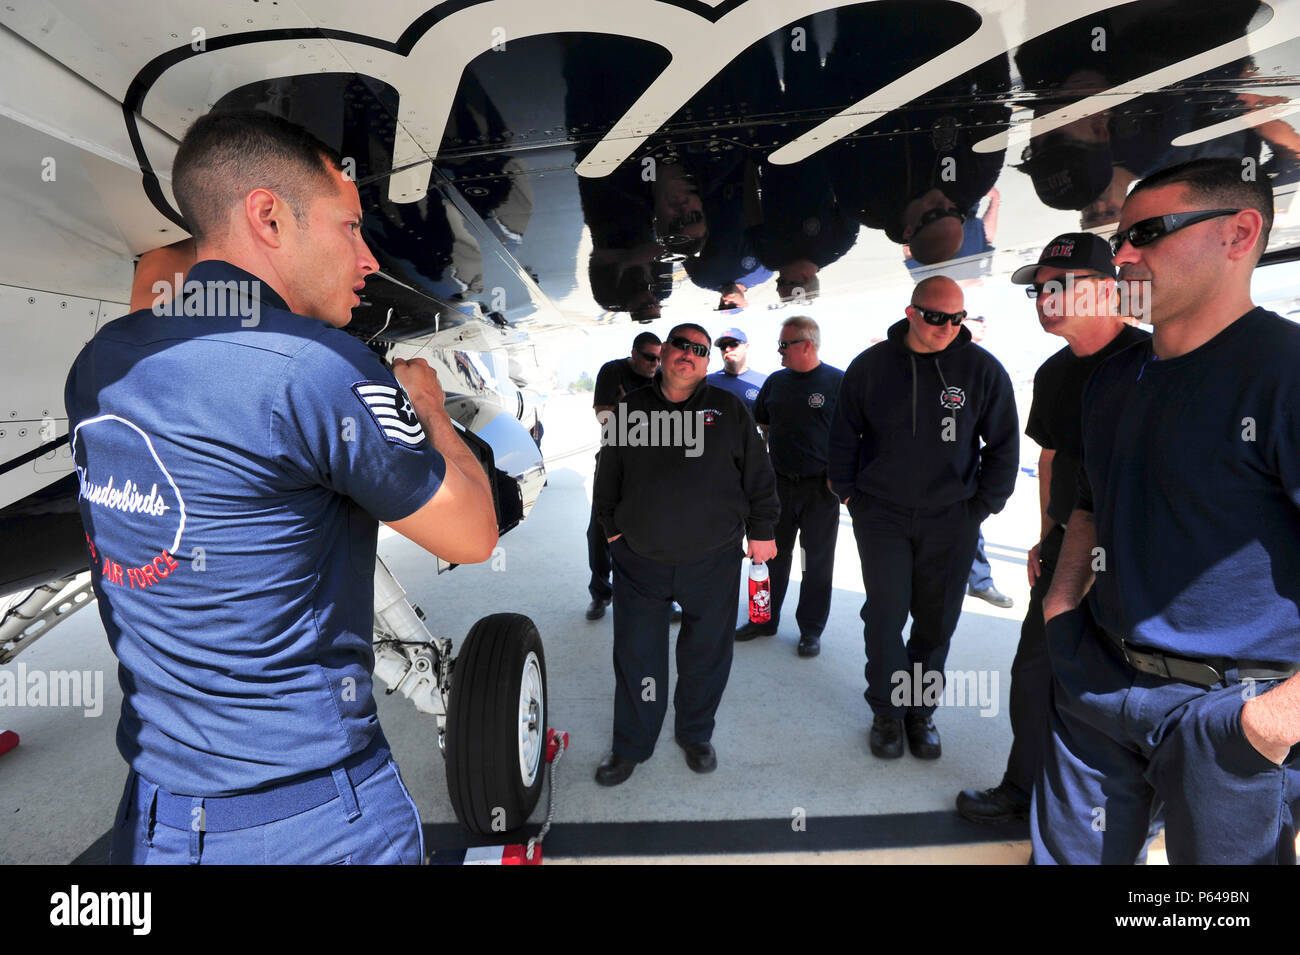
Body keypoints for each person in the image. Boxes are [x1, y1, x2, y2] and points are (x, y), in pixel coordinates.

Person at [64, 109, 498, 865]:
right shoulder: (319, 369)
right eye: (350, 227)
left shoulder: (103, 365)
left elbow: (164, 278)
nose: (368, 259)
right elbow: (473, 533)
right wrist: (428, 408)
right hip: (316, 823)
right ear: (267, 214)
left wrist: (212, 225)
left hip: (164, 826)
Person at [1035, 158, 1300, 864]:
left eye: (1147, 231)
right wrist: (1061, 614)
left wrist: (1271, 721)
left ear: (1240, 233)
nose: (1121, 254)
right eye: (1120, 235)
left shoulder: (1286, 374)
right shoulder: (1113, 379)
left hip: (1230, 718)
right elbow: (1088, 506)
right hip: (1097, 688)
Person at [956, 233, 1148, 824]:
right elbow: (1051, 458)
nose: (1046, 298)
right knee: (1036, 670)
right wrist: (1046, 534)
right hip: (1069, 546)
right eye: (1040, 289)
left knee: (1127, 678)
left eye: (1061, 286)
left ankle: (1126, 804)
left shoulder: (1155, 362)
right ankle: (1024, 788)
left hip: (1139, 551)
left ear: (1107, 288)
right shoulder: (1054, 371)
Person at [829, 276, 1018, 760]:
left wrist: (981, 507)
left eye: (957, 319)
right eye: (936, 317)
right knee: (886, 615)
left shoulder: (981, 370)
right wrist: (849, 493)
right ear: (911, 313)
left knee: (936, 623)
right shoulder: (870, 367)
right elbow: (844, 435)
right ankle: (888, 712)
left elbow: (1003, 447)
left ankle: (920, 711)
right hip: (882, 515)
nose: (947, 327)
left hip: (951, 518)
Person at [592, 324, 778, 785]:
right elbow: (606, 480)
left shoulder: (730, 410)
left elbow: (759, 475)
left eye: (700, 350)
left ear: (707, 361)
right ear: (665, 352)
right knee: (637, 655)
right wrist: (614, 536)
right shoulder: (630, 410)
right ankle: (632, 745)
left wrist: (763, 529)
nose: (689, 355)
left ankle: (695, 734)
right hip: (640, 562)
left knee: (706, 655)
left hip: (712, 561)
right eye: (682, 345)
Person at [735, 317, 843, 657]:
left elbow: (855, 434)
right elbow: (762, 425)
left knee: (815, 563)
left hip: (820, 492)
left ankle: (810, 630)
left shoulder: (837, 382)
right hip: (778, 488)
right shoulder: (775, 383)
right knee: (766, 558)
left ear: (806, 345)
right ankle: (763, 620)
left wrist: (840, 474)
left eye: (785, 345)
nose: (779, 351)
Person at [585, 333, 661, 620]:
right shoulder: (612, 370)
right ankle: (601, 594)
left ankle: (658, 595)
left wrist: (627, 406)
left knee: (654, 531)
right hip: (613, 462)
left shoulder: (663, 374)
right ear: (634, 353)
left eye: (659, 357)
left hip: (652, 464)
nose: (655, 364)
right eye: (649, 357)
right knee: (600, 532)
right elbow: (604, 416)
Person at [960, 314, 1014, 609]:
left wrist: (988, 500)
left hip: (966, 483)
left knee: (970, 530)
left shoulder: (985, 367)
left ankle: (980, 583)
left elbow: (1001, 441)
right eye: (977, 319)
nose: (984, 323)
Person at [706, 326, 767, 417]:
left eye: (733, 344)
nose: (727, 349)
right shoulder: (707, 382)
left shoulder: (764, 381)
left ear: (746, 347)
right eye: (723, 346)